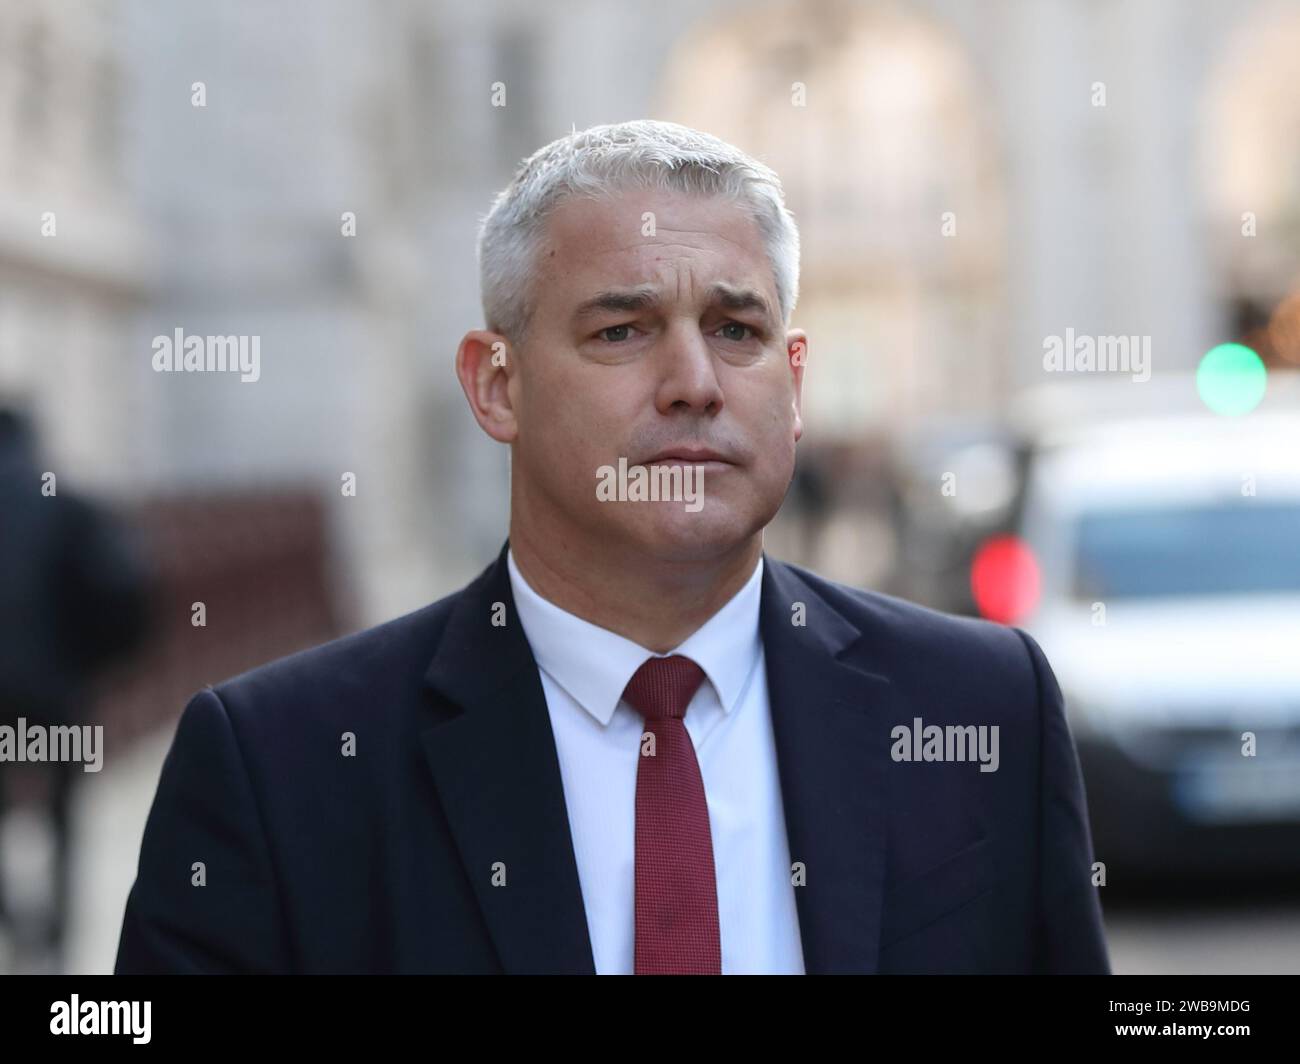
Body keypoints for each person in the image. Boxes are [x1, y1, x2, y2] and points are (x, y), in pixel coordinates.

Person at [115, 120, 1109, 974]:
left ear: (795, 383)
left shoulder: (984, 708)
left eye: (735, 328)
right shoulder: (281, 771)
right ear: (496, 383)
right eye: (623, 330)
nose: (694, 382)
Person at [0, 404, 151, 969]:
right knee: (64, 813)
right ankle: (58, 938)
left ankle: (18, 922)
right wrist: (101, 662)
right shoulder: (64, 505)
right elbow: (121, 588)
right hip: (56, 694)